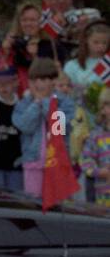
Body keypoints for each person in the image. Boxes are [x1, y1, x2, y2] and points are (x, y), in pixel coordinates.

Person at [13, 57, 80, 196]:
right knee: (34, 202)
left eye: (43, 80)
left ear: (54, 81)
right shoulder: (23, 104)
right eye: (34, 80)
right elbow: (25, 126)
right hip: (33, 162)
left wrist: (44, 101)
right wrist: (36, 103)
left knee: (57, 204)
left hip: (58, 162)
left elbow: (58, 126)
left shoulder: (66, 103)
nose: (38, 84)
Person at [80, 87, 110, 205]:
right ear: (102, 109)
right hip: (104, 196)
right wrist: (100, 171)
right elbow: (86, 160)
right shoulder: (95, 135)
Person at [64, 19, 110, 89]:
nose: (101, 46)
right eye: (96, 42)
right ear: (86, 40)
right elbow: (66, 88)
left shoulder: (107, 62)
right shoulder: (72, 65)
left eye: (104, 42)